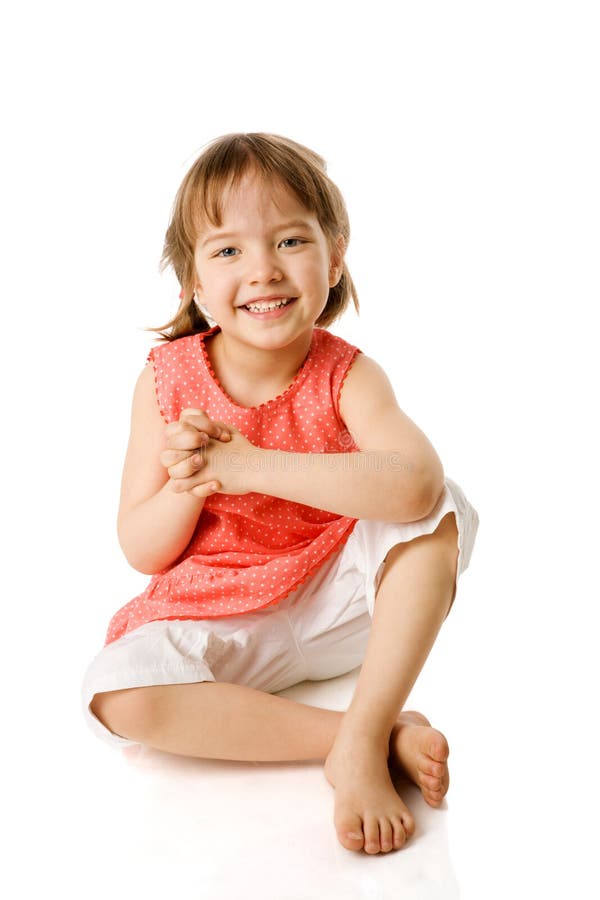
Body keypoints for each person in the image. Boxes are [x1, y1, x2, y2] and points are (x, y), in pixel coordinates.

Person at [81, 132, 479, 856]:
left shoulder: (346, 373)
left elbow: (415, 480)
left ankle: (359, 738)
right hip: (231, 620)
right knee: (115, 695)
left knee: (440, 505)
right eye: (228, 250)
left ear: (335, 255)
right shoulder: (167, 379)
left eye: (291, 240)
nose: (263, 270)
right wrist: (192, 481)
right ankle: (365, 735)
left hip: (341, 605)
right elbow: (142, 548)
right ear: (193, 284)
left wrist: (251, 465)